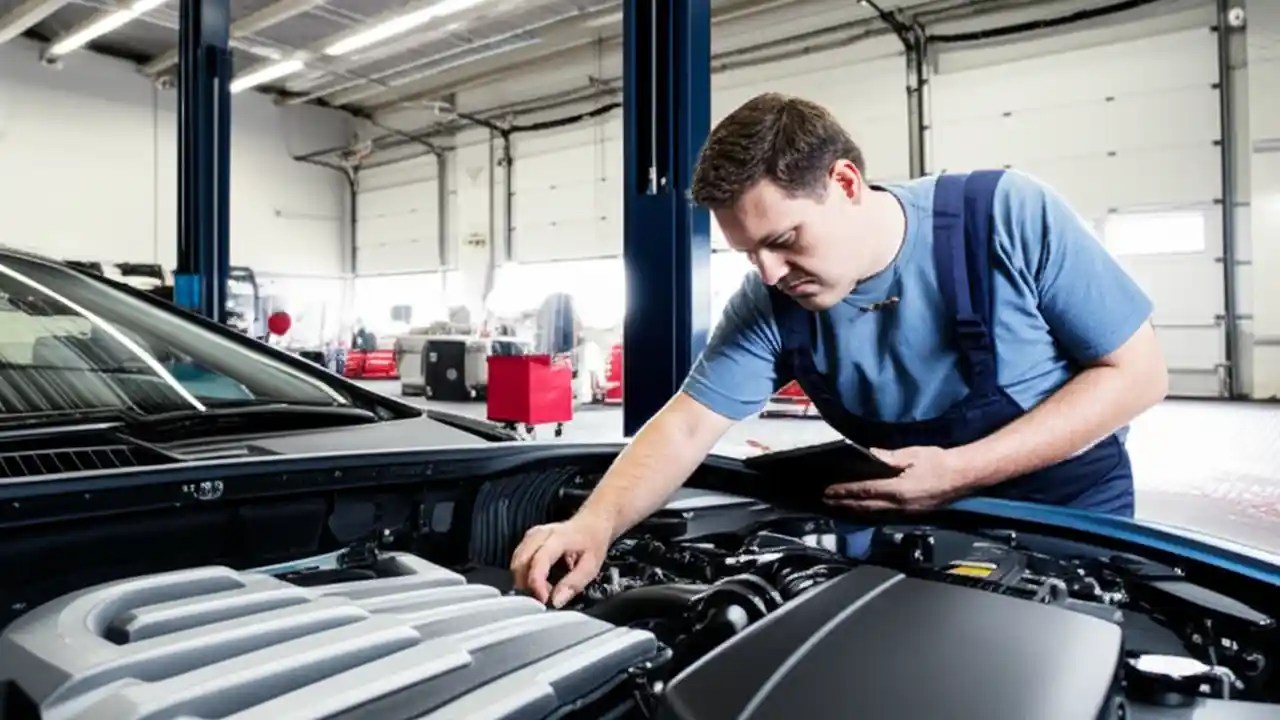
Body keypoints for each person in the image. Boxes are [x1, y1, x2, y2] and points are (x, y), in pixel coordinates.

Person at [511, 93, 1168, 608]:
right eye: (749, 254)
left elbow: (1137, 375)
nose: (769, 273)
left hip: (1060, 519)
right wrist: (593, 525)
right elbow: (687, 424)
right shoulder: (772, 298)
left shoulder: (1004, 217)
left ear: (847, 183)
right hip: (904, 528)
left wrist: (958, 471)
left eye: (786, 238)